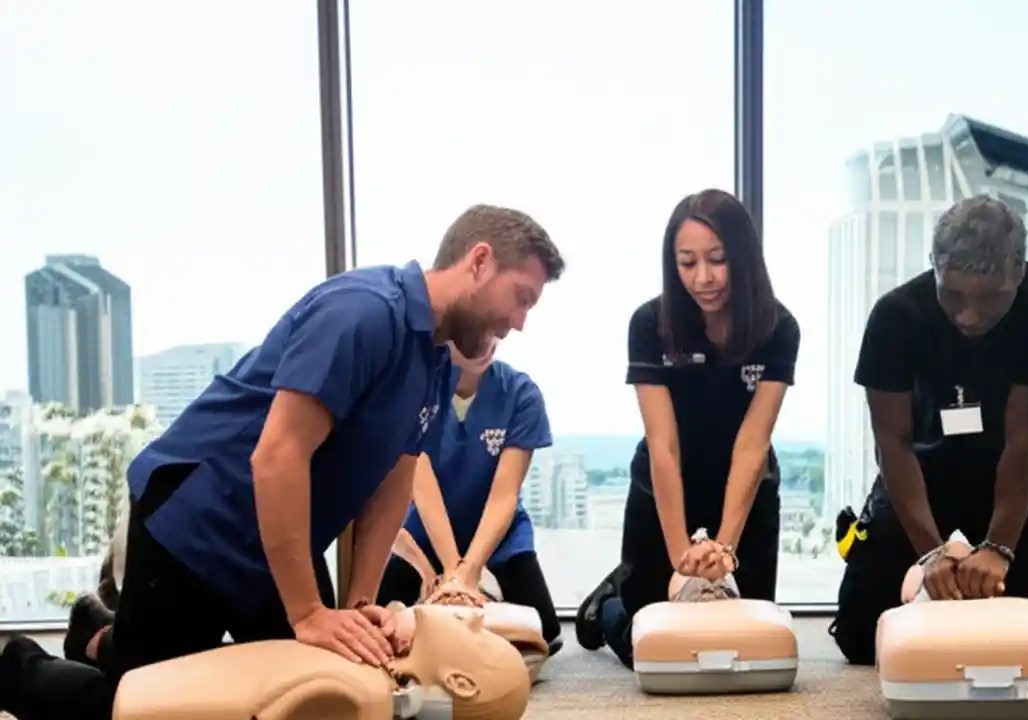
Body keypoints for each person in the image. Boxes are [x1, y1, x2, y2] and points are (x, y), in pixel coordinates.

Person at [0, 204, 564, 720]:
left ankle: (98, 635)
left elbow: (392, 483)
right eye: (522, 298)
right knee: (149, 706)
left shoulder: (437, 362)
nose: (520, 322)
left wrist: (357, 606)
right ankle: (14, 666)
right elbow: (278, 456)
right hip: (200, 516)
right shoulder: (364, 312)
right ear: (480, 261)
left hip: (278, 532)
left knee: (312, 692)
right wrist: (309, 614)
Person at [828, 195, 1028, 666]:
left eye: (990, 298)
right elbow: (892, 443)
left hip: (1006, 476)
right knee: (859, 638)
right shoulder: (896, 315)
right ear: (934, 267)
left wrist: (1000, 547)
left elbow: (1024, 436)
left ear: (1019, 272)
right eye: (954, 295)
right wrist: (931, 554)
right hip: (918, 475)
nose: (969, 315)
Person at [573, 188, 801, 669]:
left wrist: (722, 553)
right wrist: (682, 556)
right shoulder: (651, 324)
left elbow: (751, 446)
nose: (704, 278)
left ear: (742, 256)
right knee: (650, 645)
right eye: (687, 262)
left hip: (745, 481)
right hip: (666, 477)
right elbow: (664, 445)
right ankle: (608, 603)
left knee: (745, 637)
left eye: (718, 260)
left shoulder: (778, 327)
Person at [375, 338, 562, 653]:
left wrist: (468, 572)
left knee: (545, 631)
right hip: (426, 528)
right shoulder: (416, 391)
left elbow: (504, 496)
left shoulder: (520, 394)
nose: (485, 341)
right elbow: (422, 488)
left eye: (494, 331)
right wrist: (450, 570)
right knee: (381, 622)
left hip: (499, 533)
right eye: (476, 331)